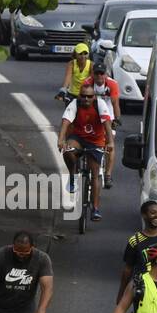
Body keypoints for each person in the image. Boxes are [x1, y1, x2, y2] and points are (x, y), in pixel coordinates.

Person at [56, 81, 113, 220]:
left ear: (94, 97)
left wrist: (110, 141)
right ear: (79, 95)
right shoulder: (74, 104)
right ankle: (73, 174)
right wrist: (61, 140)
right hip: (79, 138)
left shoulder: (100, 105)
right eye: (83, 96)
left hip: (96, 141)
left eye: (89, 96)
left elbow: (106, 124)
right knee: (68, 150)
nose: (86, 99)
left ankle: (95, 208)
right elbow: (65, 122)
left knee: (94, 174)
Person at [119, 200, 157, 300]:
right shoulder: (135, 240)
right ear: (144, 215)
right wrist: (121, 293)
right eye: (153, 213)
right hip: (142, 289)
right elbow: (127, 269)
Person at [80, 60, 120, 187]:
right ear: (92, 74)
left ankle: (108, 175)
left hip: (108, 111)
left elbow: (115, 104)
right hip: (91, 111)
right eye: (96, 74)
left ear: (106, 75)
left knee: (110, 142)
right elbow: (81, 102)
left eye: (101, 74)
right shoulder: (87, 83)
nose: (99, 77)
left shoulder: (112, 84)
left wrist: (117, 119)